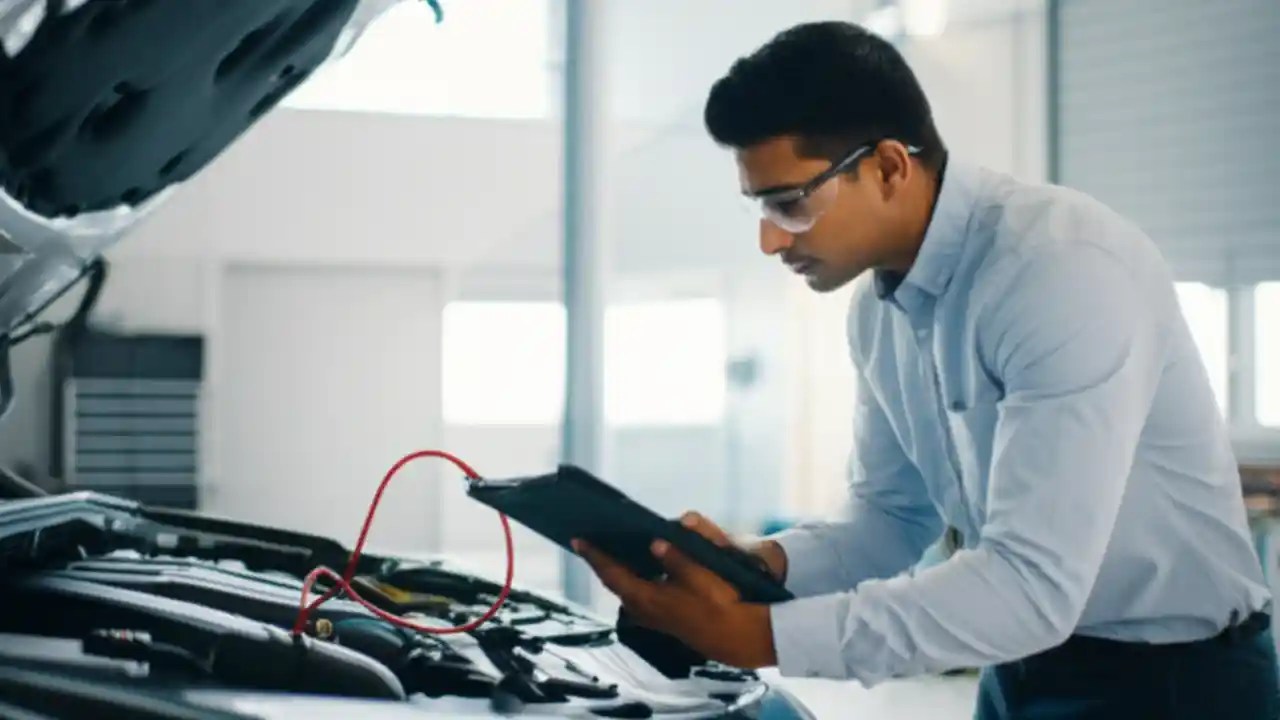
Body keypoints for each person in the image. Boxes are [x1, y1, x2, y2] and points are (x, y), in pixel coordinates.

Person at [572, 20, 1280, 719]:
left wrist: (761, 635)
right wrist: (760, 564)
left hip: (1177, 682)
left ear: (887, 166)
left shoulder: (1061, 270)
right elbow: (889, 518)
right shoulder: (879, 310)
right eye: (759, 207)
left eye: (789, 204)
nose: (768, 239)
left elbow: (1031, 585)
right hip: (1021, 663)